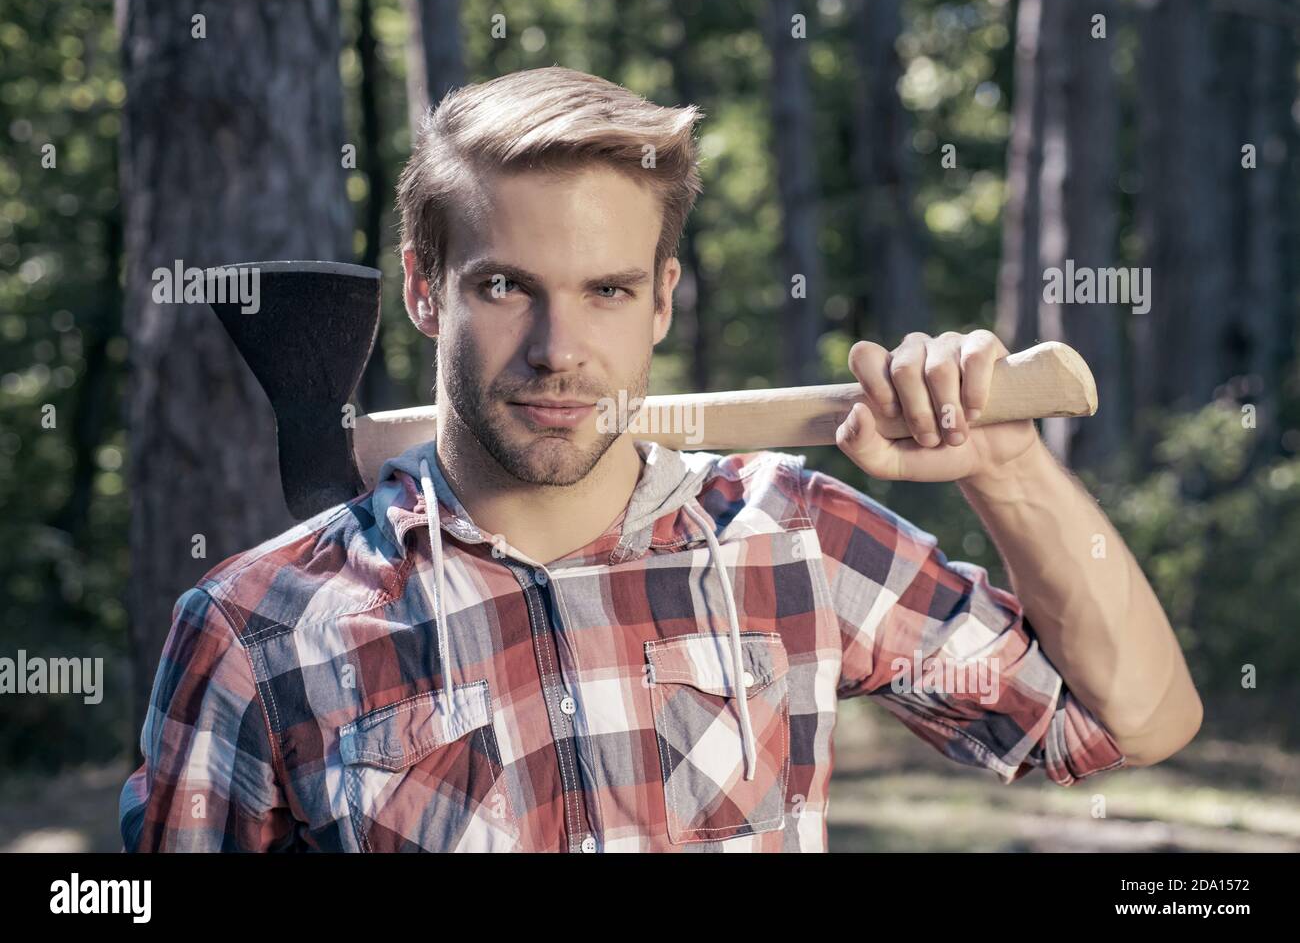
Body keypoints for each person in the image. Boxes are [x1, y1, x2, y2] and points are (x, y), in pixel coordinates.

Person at [119, 66, 1201, 852]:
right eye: (504, 287)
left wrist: (1004, 470)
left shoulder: (793, 541)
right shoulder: (254, 628)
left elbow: (1129, 722)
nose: (557, 352)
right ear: (421, 288)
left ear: (663, 299)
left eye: (606, 290)